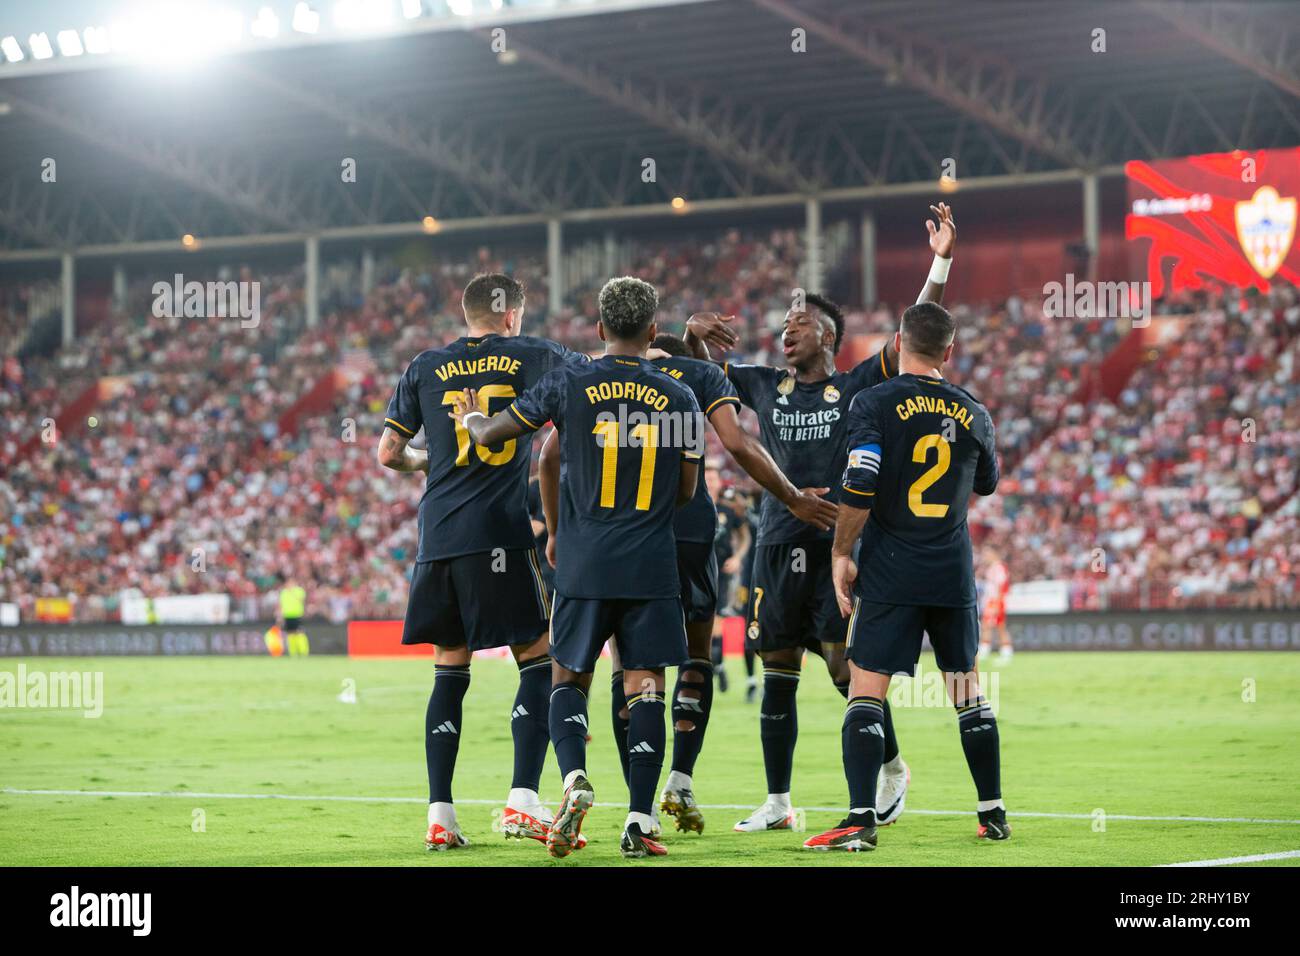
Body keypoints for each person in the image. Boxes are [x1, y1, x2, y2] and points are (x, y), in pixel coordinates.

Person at [683, 203, 956, 833]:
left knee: (841, 669)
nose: (787, 332)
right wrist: (694, 333)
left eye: (799, 324)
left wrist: (940, 260)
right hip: (777, 545)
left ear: (826, 337)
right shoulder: (762, 385)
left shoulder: (857, 384)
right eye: (784, 324)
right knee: (777, 668)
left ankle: (891, 766)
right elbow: (698, 378)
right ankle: (778, 803)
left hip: (837, 546)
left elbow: (914, 331)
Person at [450, 276, 702, 860]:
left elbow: (494, 434)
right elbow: (687, 490)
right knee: (644, 688)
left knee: (568, 678)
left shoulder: (567, 383)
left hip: (586, 560)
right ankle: (640, 821)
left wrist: (470, 421)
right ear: (653, 332)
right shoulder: (681, 398)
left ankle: (572, 779)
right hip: (650, 562)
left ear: (598, 329)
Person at [377, 272, 588, 851]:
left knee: (451, 667)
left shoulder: (424, 365)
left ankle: (440, 816)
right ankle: (523, 798)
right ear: (512, 316)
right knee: (538, 657)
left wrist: (437, 463)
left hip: (437, 535)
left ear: (467, 313)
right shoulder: (535, 353)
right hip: (497, 533)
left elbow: (389, 453)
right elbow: (596, 375)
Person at [804, 300, 1008, 851]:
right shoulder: (975, 411)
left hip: (891, 571)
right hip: (950, 572)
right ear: (949, 350)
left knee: (866, 691)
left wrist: (840, 552)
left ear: (898, 340)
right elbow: (985, 483)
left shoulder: (872, 402)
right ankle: (992, 812)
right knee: (967, 690)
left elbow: (862, 478)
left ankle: (860, 818)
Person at [978, 547, 1013, 662]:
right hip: (991, 601)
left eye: (987, 553)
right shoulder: (992, 568)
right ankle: (987, 650)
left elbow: (1001, 586)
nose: (985, 556)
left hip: (996, 601)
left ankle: (1005, 650)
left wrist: (997, 603)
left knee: (999, 626)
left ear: (994, 554)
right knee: (988, 625)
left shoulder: (999, 568)